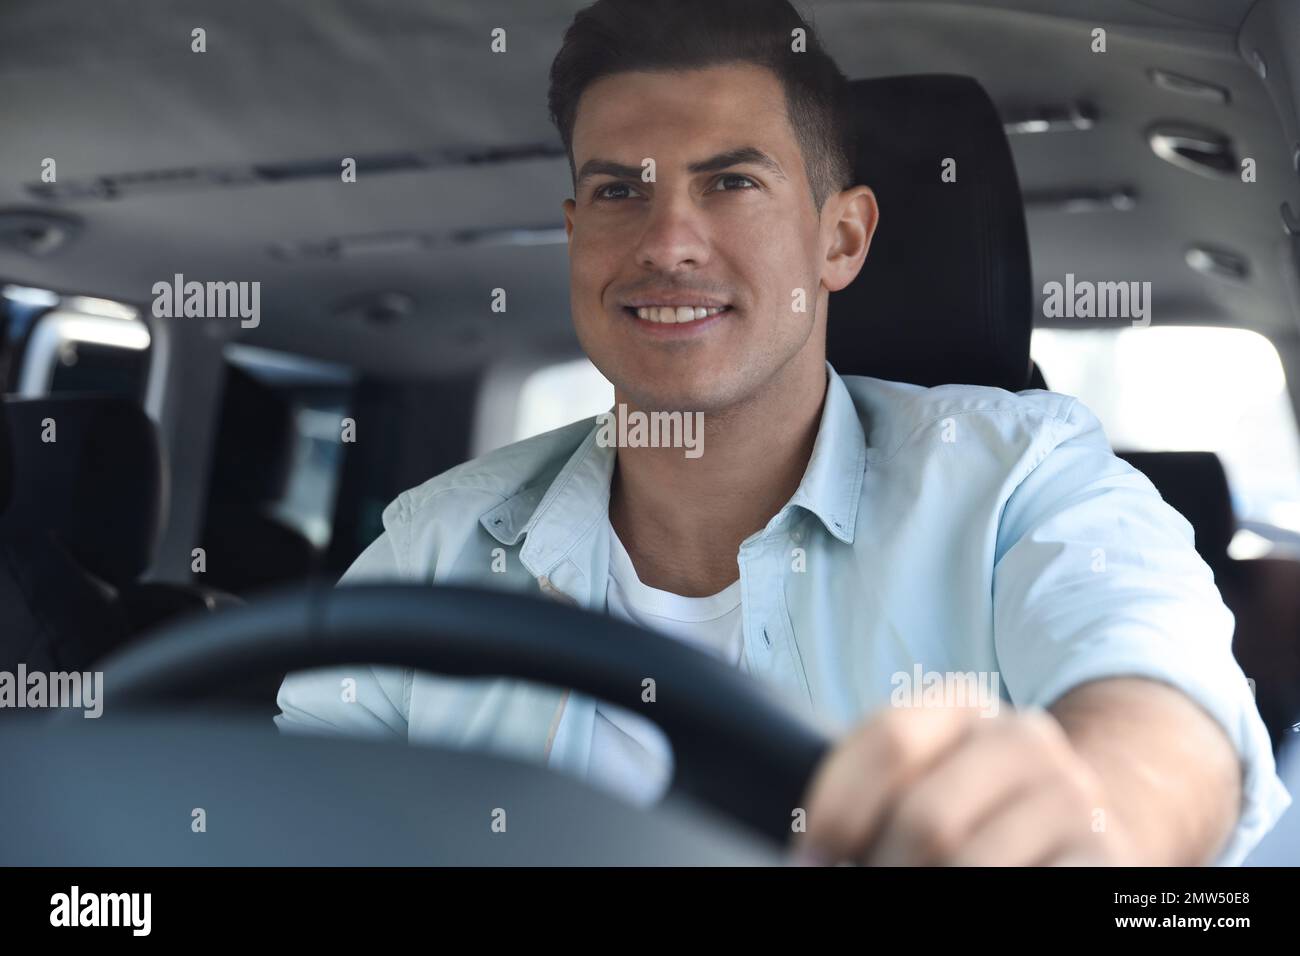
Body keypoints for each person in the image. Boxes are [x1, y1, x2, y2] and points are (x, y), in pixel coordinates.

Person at [276, 0, 1290, 865]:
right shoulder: (434, 544)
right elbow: (280, 817)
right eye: (618, 190)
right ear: (576, 230)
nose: (667, 240)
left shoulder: (1017, 480)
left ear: (838, 238)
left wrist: (1089, 817)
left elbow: (1163, 713)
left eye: (730, 180)